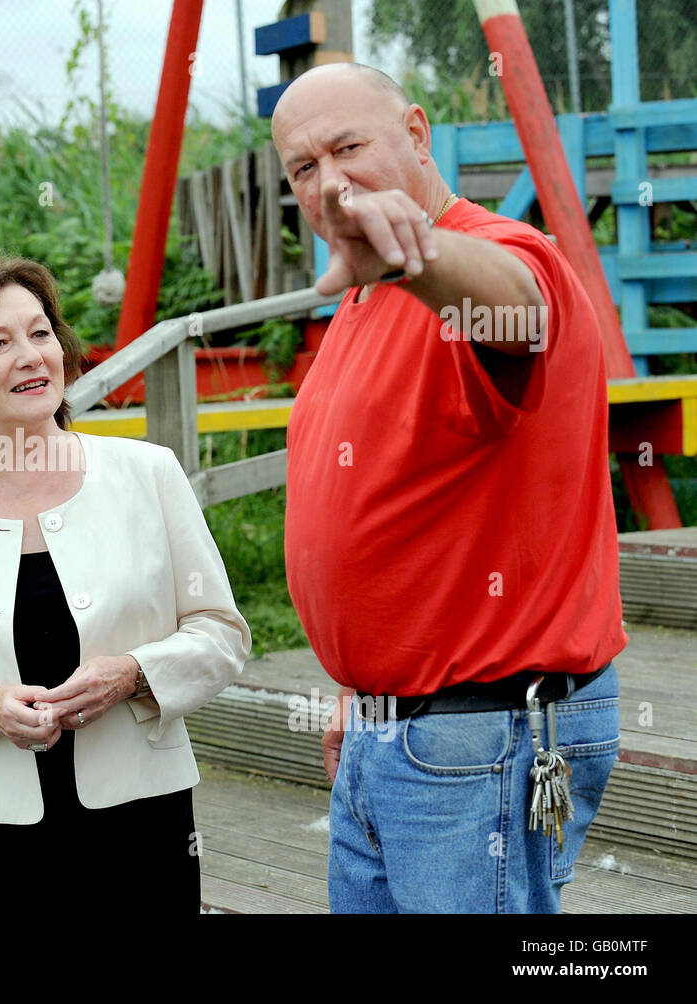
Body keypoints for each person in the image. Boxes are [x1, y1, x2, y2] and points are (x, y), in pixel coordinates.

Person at [274, 64, 624, 913]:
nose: (331, 184)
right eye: (304, 168)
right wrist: (367, 694)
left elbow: (519, 309)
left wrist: (417, 254)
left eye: (348, 148)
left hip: (484, 734)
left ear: (419, 134)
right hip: (393, 727)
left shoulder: (492, 259)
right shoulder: (359, 295)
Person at [0, 250, 251, 914]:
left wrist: (134, 671)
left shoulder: (148, 474)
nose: (33, 355)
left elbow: (221, 634)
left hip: (142, 825)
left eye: (41, 333)